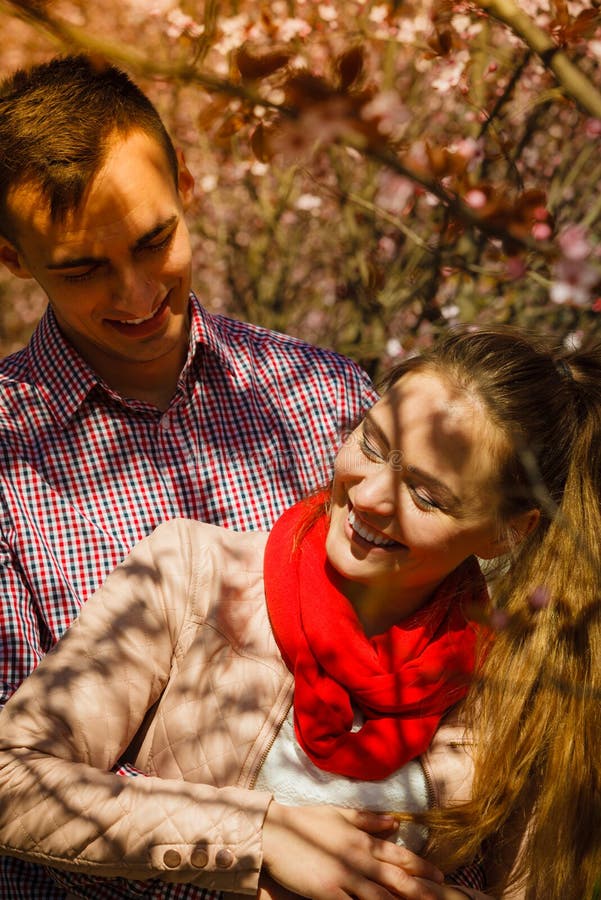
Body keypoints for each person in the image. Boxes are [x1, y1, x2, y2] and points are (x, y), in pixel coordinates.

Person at [3, 326, 594, 900]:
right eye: (371, 443)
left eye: (426, 496)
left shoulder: (514, 691)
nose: (367, 496)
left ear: (505, 533)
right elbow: (13, 782)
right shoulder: (192, 574)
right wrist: (257, 837)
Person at [0, 53, 380, 900]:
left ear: (188, 186)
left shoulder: (325, 398)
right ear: (14, 259)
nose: (137, 294)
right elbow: (15, 781)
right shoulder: (6, 467)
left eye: (153, 241)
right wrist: (256, 838)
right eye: (82, 268)